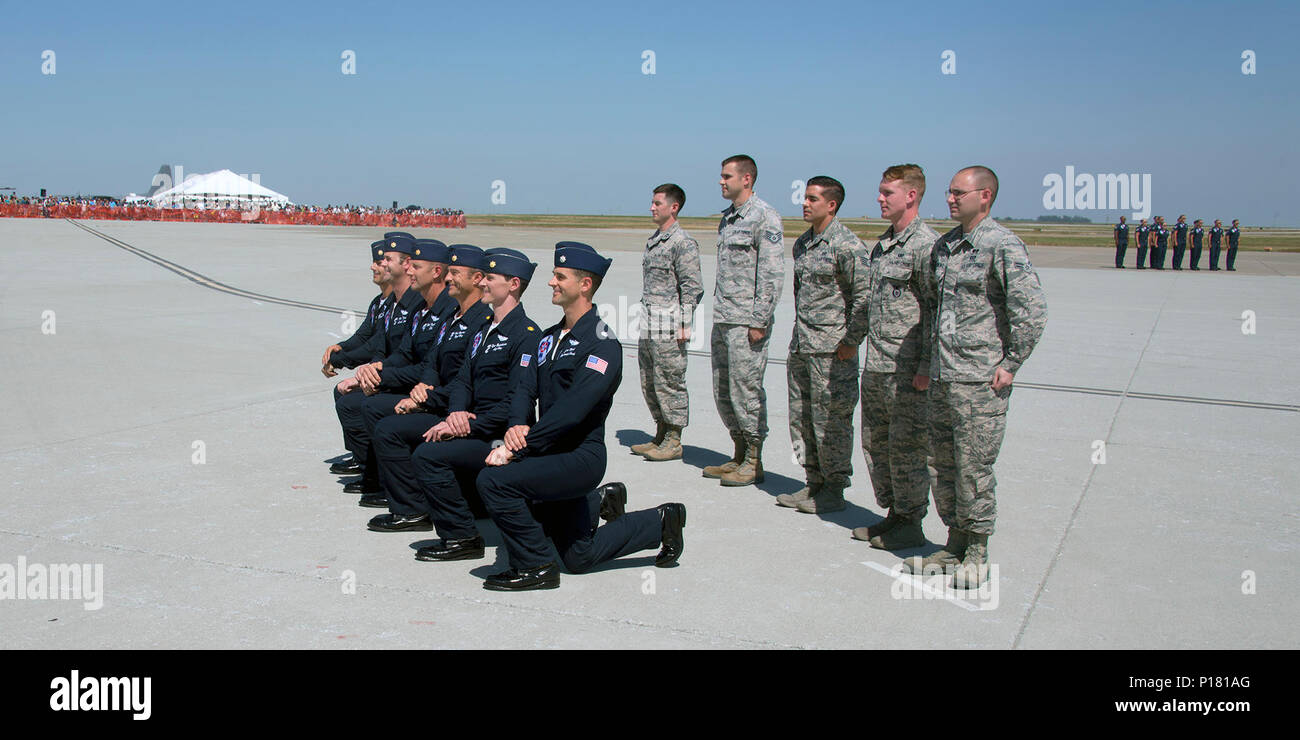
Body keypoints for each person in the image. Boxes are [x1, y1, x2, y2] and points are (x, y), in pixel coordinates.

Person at [458, 242, 686, 591]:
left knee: (495, 482)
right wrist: (517, 424)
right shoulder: (547, 339)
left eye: (560, 277)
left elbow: (573, 411)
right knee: (579, 557)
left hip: (580, 457)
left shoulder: (602, 343)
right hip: (548, 453)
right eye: (553, 275)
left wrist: (519, 446)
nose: (552, 282)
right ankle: (659, 521)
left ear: (585, 284)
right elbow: (523, 388)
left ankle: (536, 567)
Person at [909, 166, 1048, 589]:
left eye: (958, 193)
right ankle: (953, 541)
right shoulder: (945, 247)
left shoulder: (1001, 245)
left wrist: (1011, 363)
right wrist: (927, 365)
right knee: (942, 464)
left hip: (979, 381)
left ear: (984, 196)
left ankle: (977, 550)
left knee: (973, 467)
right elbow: (931, 312)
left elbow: (1031, 311)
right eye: (949, 193)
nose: (950, 199)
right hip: (944, 376)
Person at [375, 248, 540, 533]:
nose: (483, 283)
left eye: (490, 278)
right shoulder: (484, 329)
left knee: (428, 455)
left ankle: (460, 538)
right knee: (424, 445)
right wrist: (455, 413)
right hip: (470, 422)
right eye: (483, 277)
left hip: (495, 432)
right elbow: (463, 380)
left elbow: (517, 400)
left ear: (513, 285)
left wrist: (467, 425)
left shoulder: (526, 334)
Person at [840, 164, 941, 548]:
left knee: (908, 447)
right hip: (878, 365)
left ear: (911, 196)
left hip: (908, 370)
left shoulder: (926, 246)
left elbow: (935, 310)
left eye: (888, 193)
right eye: (880, 192)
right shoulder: (883, 245)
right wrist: (853, 339)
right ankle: (895, 514)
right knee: (877, 444)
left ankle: (911, 521)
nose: (880, 199)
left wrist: (926, 366)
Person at [357, 244, 493, 511]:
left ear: (475, 279)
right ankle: (398, 490)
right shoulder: (453, 316)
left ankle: (411, 507)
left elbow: (469, 381)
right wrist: (421, 385)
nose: (449, 279)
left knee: (388, 427)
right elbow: (431, 361)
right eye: (449, 272)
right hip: (439, 399)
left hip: (460, 411)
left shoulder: (481, 322)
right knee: (373, 409)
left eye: (455, 273)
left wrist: (427, 397)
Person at [774, 176, 868, 514]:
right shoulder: (802, 244)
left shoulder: (847, 246)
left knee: (831, 422)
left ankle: (834, 488)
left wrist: (851, 341)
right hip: (802, 347)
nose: (805, 203)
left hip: (832, 352)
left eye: (813, 199)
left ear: (832, 205)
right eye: (805, 198)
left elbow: (863, 297)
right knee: (801, 419)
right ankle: (813, 482)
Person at [705, 154, 784, 486]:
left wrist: (759, 320)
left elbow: (771, 273)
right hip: (725, 318)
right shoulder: (729, 219)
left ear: (746, 179)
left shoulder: (764, 217)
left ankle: (753, 459)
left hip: (746, 322)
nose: (721, 181)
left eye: (727, 176)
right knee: (724, 391)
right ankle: (738, 453)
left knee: (746, 391)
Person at [332, 234, 425, 493]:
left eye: (384, 259)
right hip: (395, 376)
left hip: (411, 384)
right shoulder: (388, 304)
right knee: (350, 396)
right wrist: (340, 355)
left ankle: (380, 479)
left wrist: (375, 374)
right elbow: (374, 342)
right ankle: (370, 469)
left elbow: (416, 358)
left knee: (361, 405)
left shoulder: (416, 305)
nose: (378, 265)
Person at [631, 183, 703, 462]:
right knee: (649, 381)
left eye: (657, 203)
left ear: (674, 207)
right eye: (652, 202)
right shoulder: (654, 240)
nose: (652, 207)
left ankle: (674, 439)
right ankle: (660, 433)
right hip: (650, 324)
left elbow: (692, 286)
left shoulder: (682, 242)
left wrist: (685, 322)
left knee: (670, 382)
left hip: (670, 327)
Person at [321, 238, 394, 475]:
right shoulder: (379, 303)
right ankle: (359, 455)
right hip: (378, 371)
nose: (373, 267)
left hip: (390, 374)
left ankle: (369, 466)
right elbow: (362, 337)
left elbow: (375, 343)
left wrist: (342, 362)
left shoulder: (397, 305)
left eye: (379, 262)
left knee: (353, 400)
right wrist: (338, 349)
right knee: (342, 393)